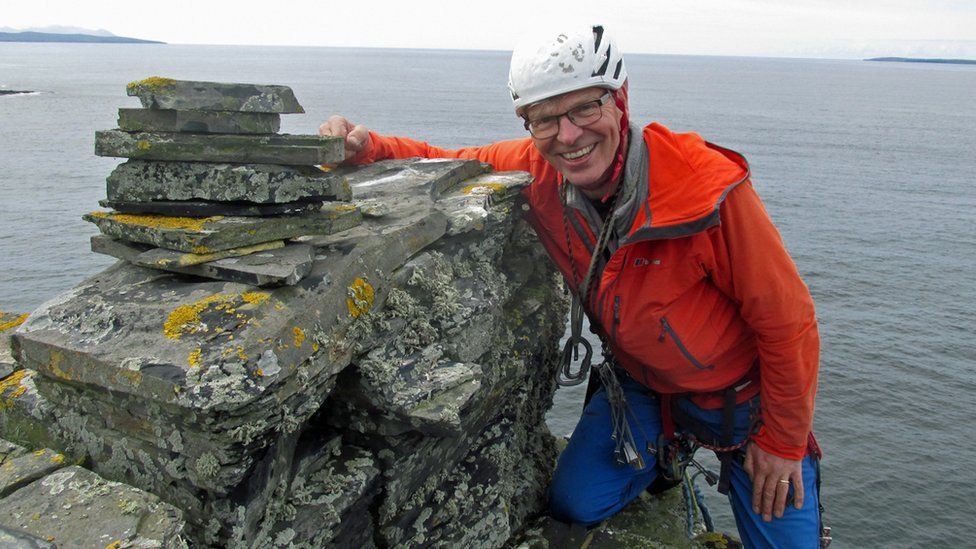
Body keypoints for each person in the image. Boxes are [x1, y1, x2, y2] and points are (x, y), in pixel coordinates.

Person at [320, 24, 825, 548]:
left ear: (620, 101)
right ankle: (663, 457)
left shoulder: (705, 189)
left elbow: (788, 321)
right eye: (544, 119)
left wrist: (782, 442)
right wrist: (369, 147)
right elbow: (447, 160)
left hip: (743, 403)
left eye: (585, 108)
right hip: (647, 390)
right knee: (574, 502)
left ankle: (698, 458)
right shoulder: (537, 171)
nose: (568, 136)